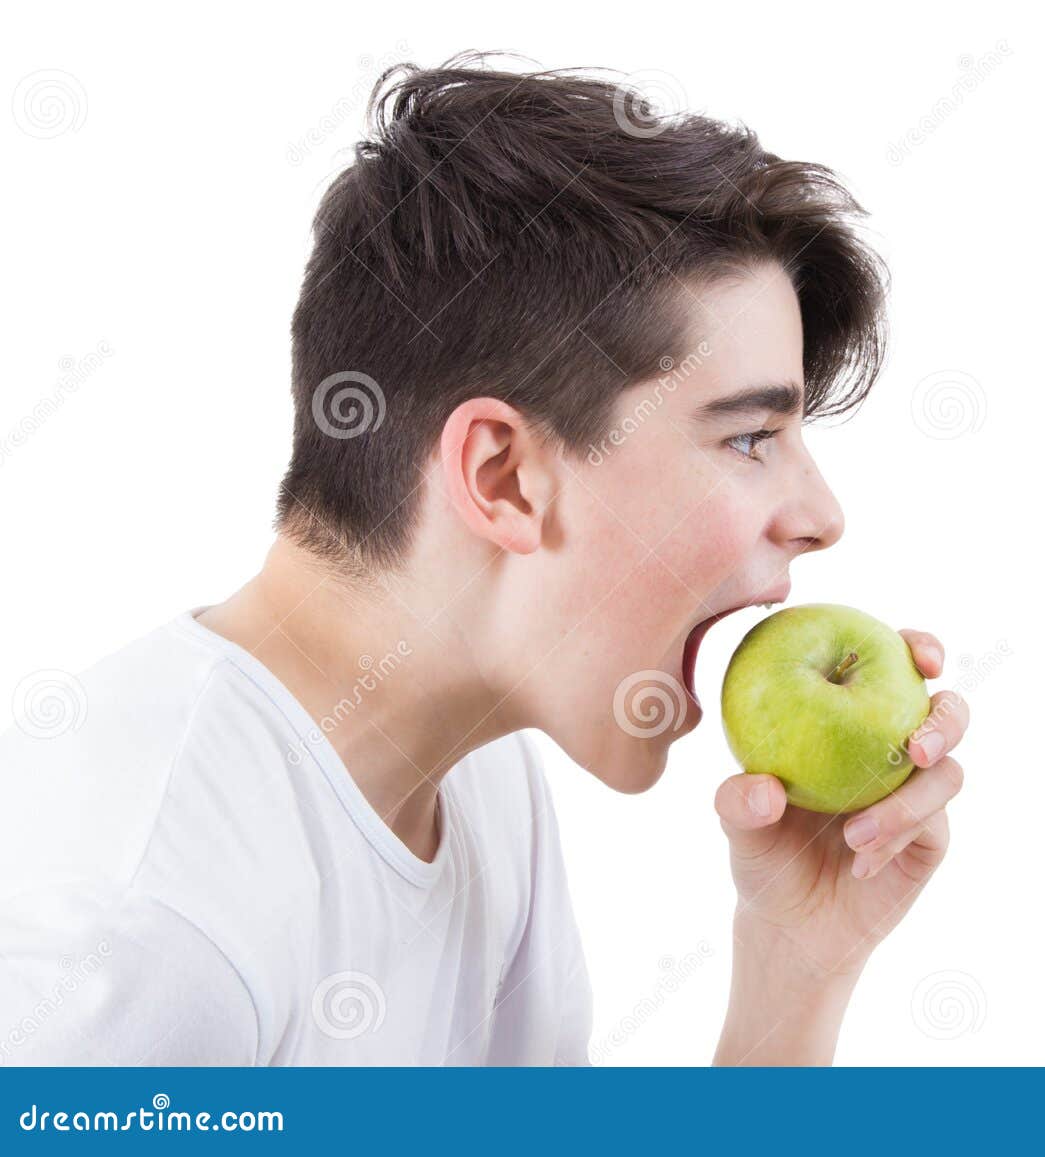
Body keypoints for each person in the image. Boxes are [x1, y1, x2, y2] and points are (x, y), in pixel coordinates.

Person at [0, 54, 970, 1065]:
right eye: (748, 438)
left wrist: (796, 963)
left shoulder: (477, 772)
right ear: (503, 474)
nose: (822, 515)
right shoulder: (132, 944)